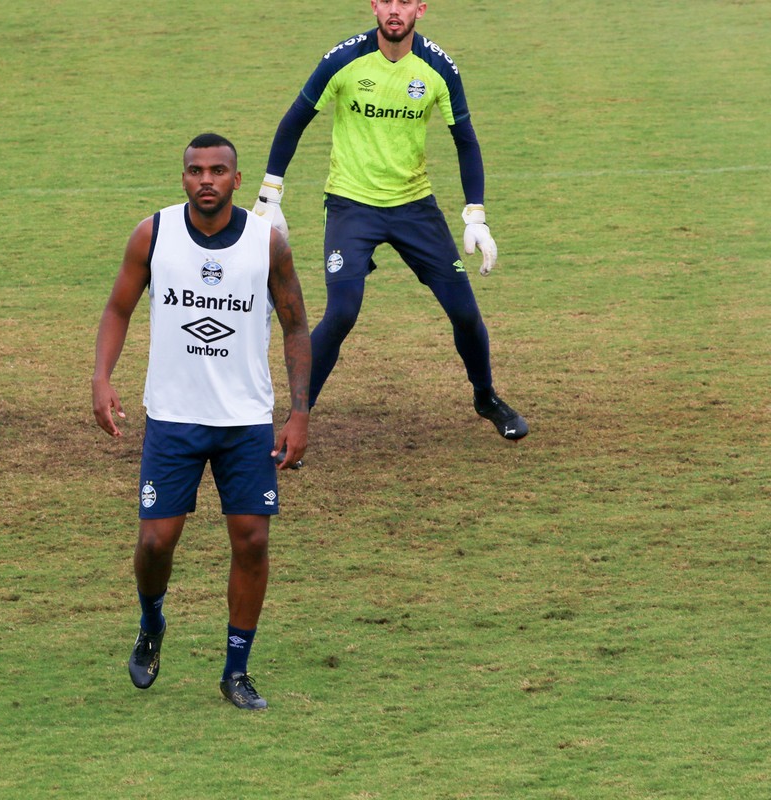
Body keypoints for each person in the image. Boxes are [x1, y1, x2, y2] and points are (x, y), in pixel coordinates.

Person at [92, 133, 311, 711]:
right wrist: (101, 378)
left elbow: (294, 326)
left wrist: (299, 413)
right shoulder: (154, 234)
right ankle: (151, 623)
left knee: (254, 540)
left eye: (218, 171)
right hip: (173, 419)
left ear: (238, 181)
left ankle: (236, 671)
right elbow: (118, 308)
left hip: (244, 422)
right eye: (195, 171)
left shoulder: (269, 243)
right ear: (183, 177)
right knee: (156, 541)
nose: (206, 180)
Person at [251, 0, 528, 440]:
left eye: (404, 2)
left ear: (421, 8)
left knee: (466, 314)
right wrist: (269, 194)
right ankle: (296, 418)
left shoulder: (439, 68)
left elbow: (466, 140)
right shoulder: (343, 60)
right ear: (374, 7)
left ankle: (486, 397)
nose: (394, 11)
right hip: (351, 205)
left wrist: (476, 214)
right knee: (341, 313)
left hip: (414, 206)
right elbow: (294, 120)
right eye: (386, 2)